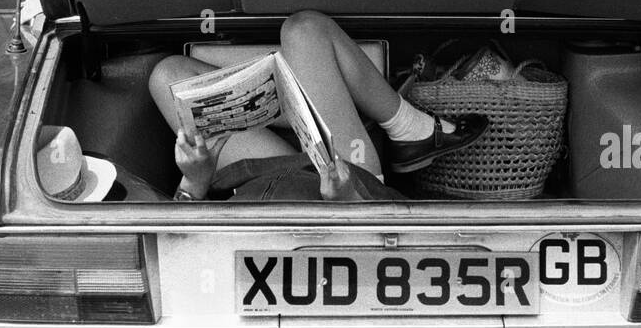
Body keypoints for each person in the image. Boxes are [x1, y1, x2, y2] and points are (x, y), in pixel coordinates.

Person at [148, 11, 489, 202]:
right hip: (345, 176)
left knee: (167, 76)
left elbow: (183, 238)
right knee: (304, 30)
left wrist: (195, 181)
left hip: (259, 175)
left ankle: (310, 100)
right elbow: (378, 232)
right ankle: (411, 128)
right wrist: (343, 202)